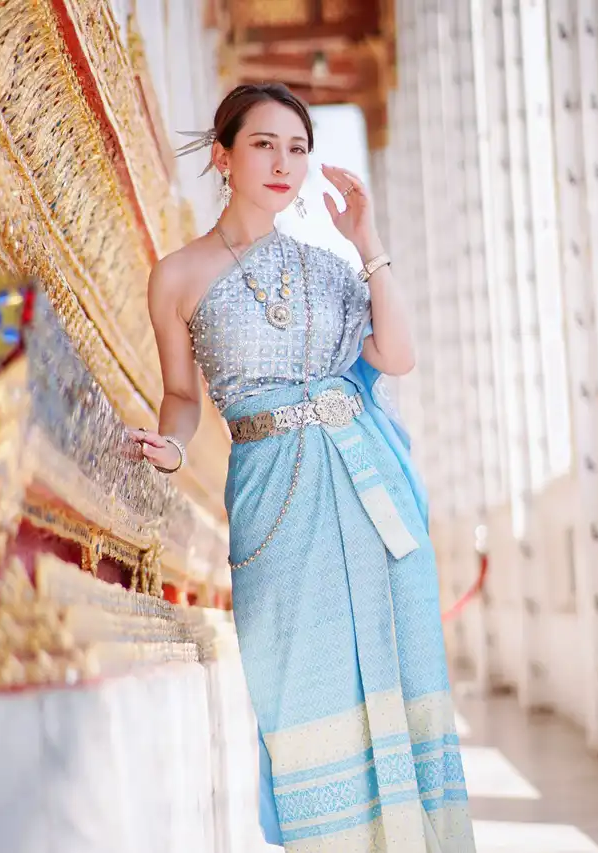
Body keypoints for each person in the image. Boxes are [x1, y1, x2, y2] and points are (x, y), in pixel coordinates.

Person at [131, 83, 476, 852]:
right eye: (264, 144)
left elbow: (397, 354)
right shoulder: (177, 276)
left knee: (397, 676)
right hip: (272, 502)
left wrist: (367, 240)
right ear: (223, 155)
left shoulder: (327, 267)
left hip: (367, 495)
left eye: (297, 149)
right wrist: (174, 446)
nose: (283, 163)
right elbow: (181, 396)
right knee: (296, 693)